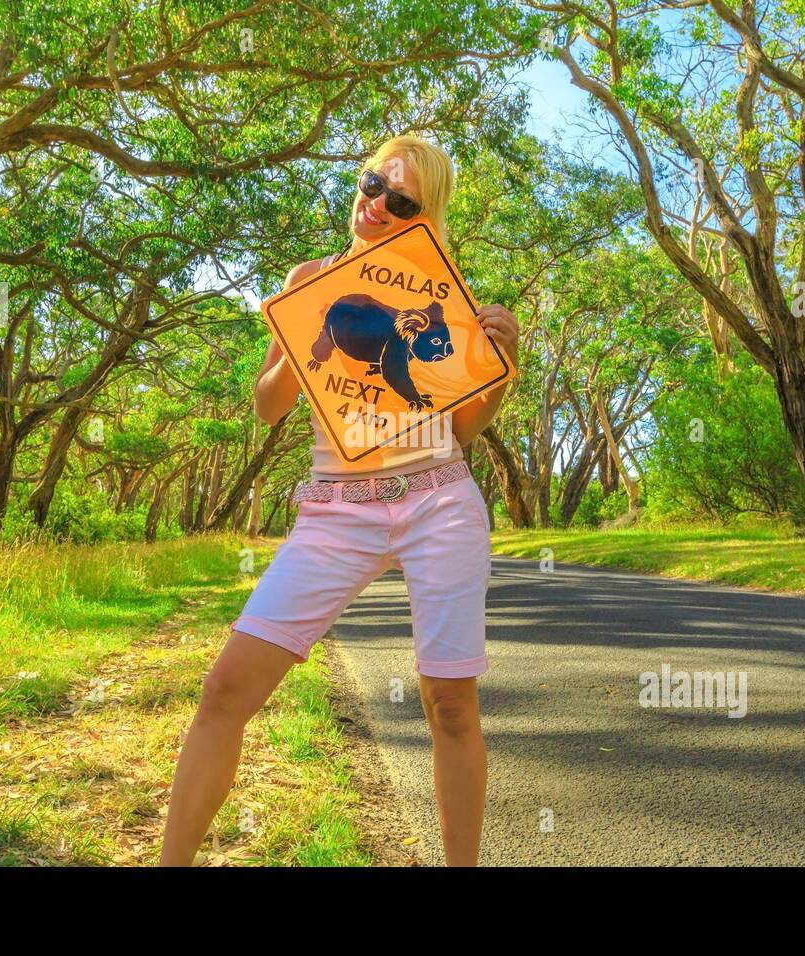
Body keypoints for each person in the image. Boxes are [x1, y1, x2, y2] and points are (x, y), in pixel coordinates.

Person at [158, 135, 519, 867]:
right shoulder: (309, 278)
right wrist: (302, 341)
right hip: (335, 508)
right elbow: (266, 408)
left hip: (437, 500)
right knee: (226, 688)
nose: (376, 204)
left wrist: (500, 375)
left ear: (426, 215)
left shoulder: (443, 300)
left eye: (401, 200)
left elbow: (460, 430)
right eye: (370, 185)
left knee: (450, 706)